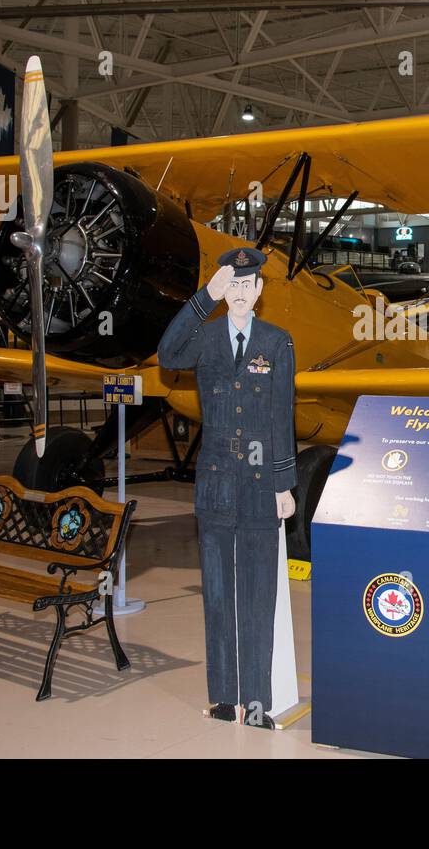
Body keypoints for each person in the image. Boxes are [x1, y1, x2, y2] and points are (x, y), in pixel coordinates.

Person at [157, 247, 297, 728]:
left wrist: (284, 483)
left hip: (261, 489)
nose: (239, 294)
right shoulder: (208, 337)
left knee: (259, 597)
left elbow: (282, 415)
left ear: (259, 291)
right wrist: (203, 299)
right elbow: (167, 354)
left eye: (246, 285)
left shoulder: (278, 343)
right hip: (216, 486)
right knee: (218, 595)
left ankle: (255, 703)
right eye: (230, 286)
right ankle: (222, 699)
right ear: (225, 291)